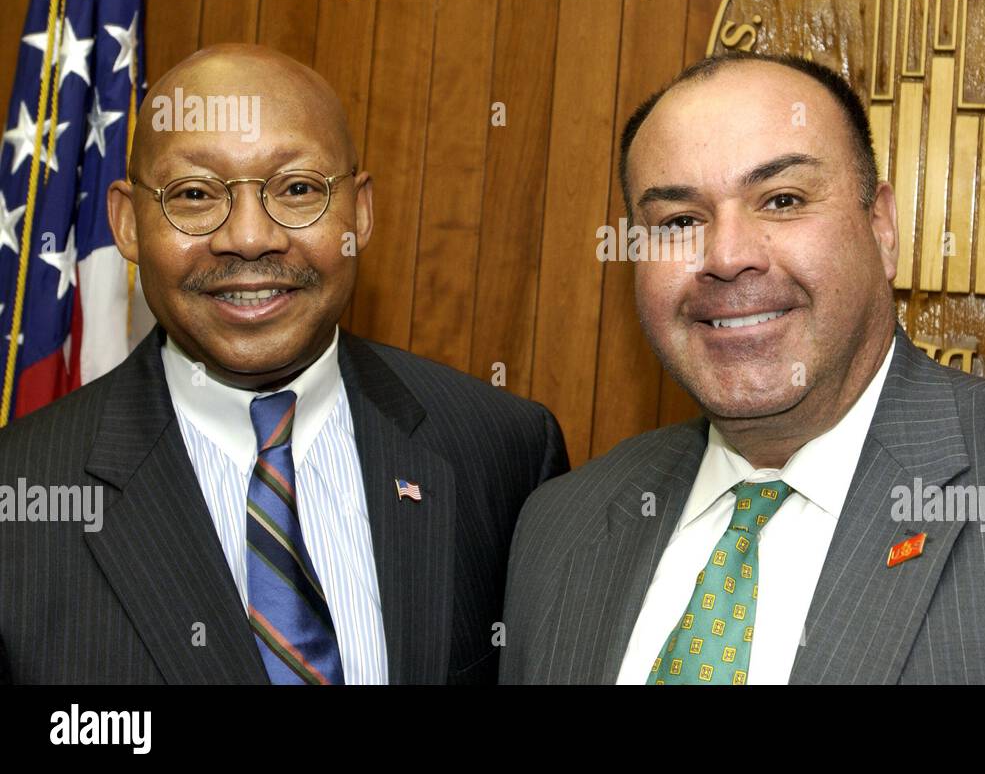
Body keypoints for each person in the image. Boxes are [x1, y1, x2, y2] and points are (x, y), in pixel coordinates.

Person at [500, 51, 985, 684]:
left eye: (782, 200)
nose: (727, 256)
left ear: (880, 227)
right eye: (678, 219)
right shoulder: (562, 525)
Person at [0, 43, 567, 684]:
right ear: (129, 223)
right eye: (193, 194)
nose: (247, 237)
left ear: (361, 210)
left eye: (298, 189)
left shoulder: (505, 454)